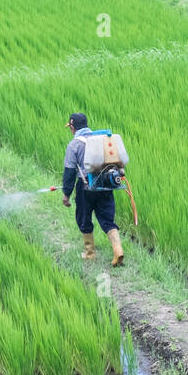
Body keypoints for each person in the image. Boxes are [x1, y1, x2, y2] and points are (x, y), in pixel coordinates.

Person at [62, 112, 125, 266]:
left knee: (84, 218)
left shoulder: (74, 145)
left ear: (73, 126)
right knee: (107, 219)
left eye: (70, 126)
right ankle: (118, 250)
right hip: (105, 185)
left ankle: (90, 254)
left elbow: (69, 172)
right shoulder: (102, 139)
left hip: (85, 188)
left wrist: (66, 194)